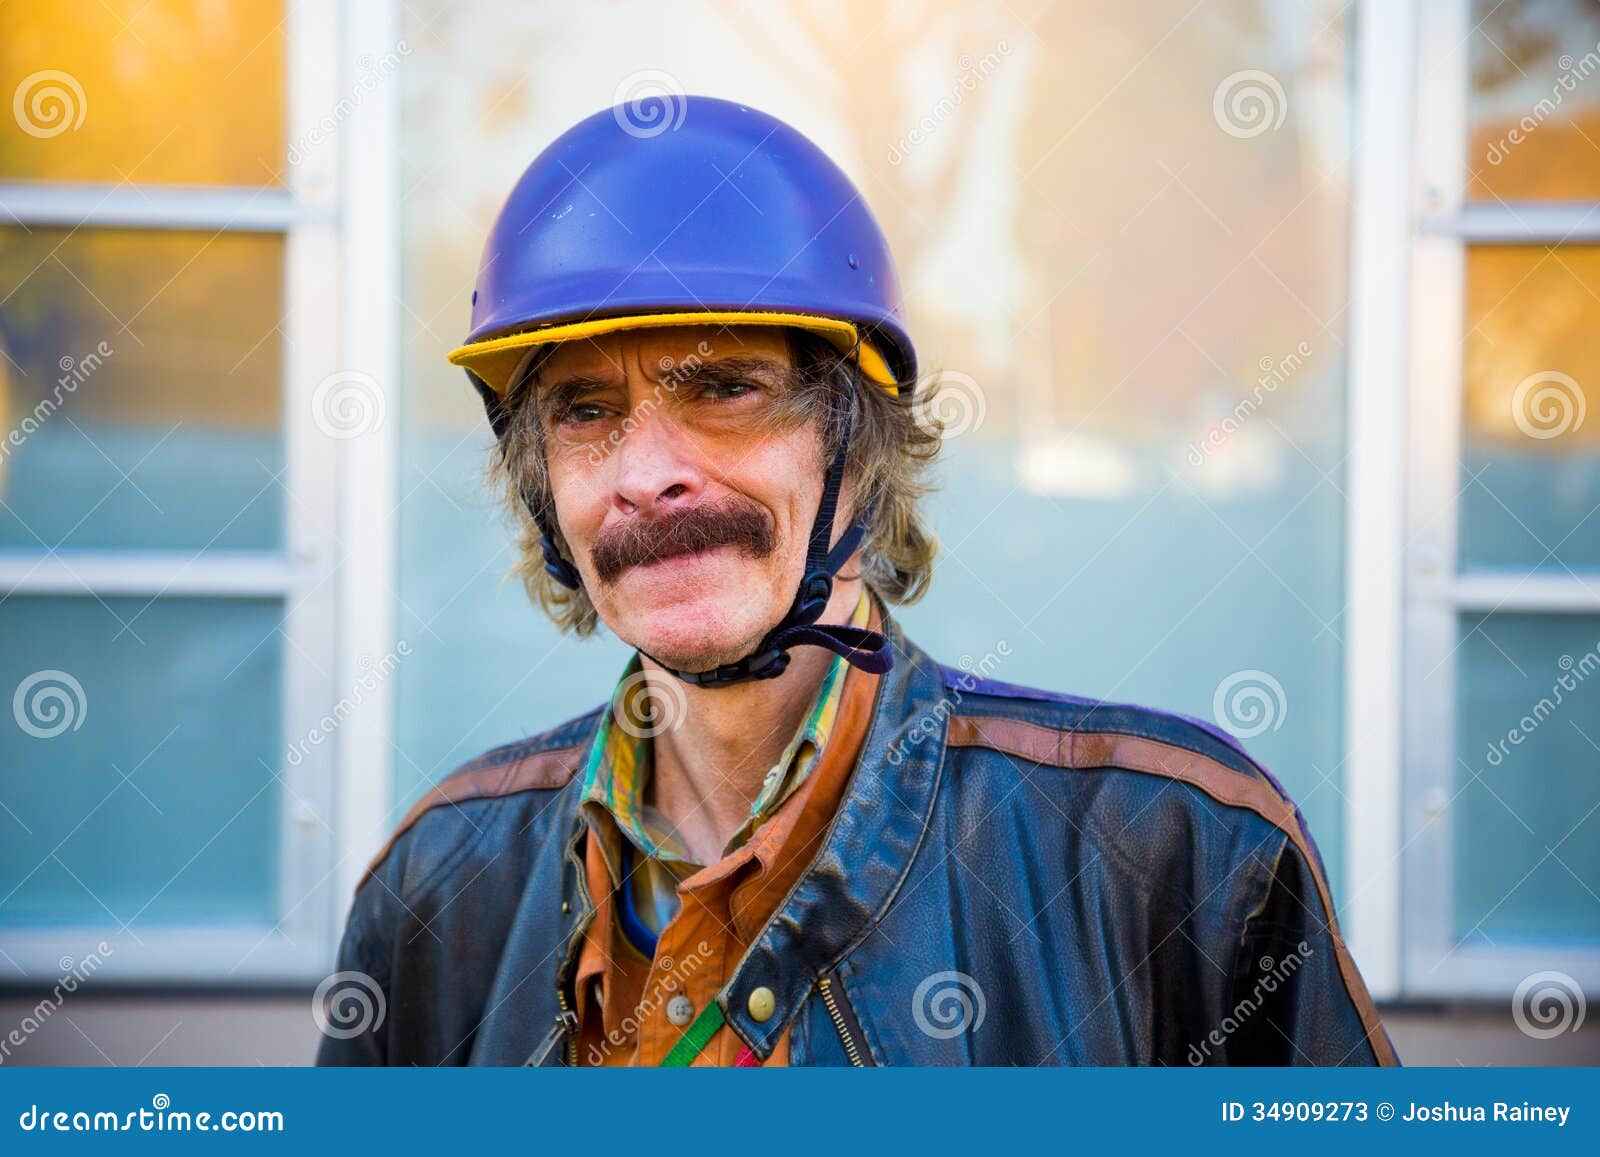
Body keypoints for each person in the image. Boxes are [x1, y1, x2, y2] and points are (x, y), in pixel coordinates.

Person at [317, 95, 1397, 1067]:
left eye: (728, 386)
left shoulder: (1174, 854)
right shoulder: (437, 887)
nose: (646, 476)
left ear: (858, 442)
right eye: (586, 411)